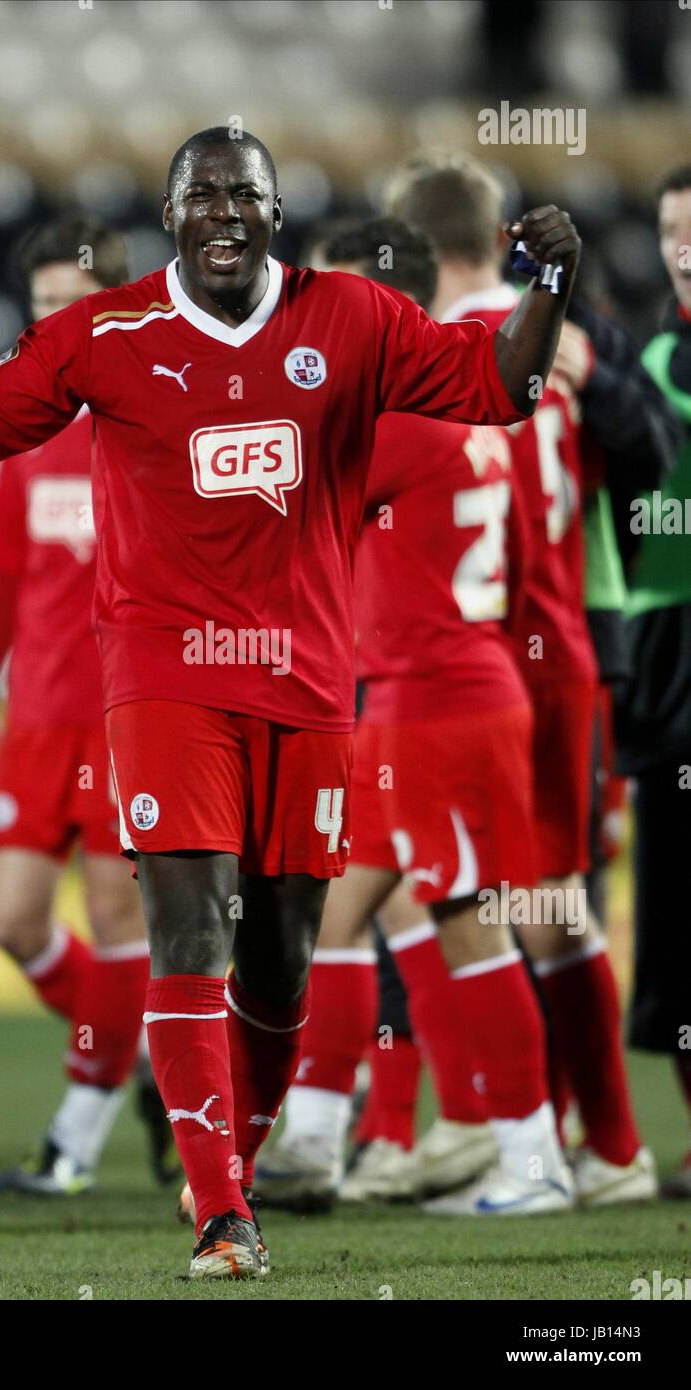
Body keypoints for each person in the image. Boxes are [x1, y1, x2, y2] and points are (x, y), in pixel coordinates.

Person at [0, 126, 578, 1278]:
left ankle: (244, 1157)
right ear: (169, 218)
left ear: (273, 212)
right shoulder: (103, 332)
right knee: (188, 923)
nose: (222, 211)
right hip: (162, 675)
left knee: (277, 967)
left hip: (307, 685)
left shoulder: (352, 320)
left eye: (244, 194)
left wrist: (545, 285)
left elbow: (496, 387)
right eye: (200, 194)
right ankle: (223, 1211)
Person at [257, 214, 573, 1217]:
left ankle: (534, 1164)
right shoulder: (475, 416)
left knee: (466, 924)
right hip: (439, 695)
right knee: (340, 908)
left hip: (433, 703)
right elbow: (521, 568)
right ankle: (309, 1139)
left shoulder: (389, 422)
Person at [384, 153, 653, 1206]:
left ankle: (560, 1144)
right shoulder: (568, 338)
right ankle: (563, 1139)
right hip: (552, 647)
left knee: (496, 901)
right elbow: (652, 463)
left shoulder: (435, 355)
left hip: (479, 654)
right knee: (532, 901)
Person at [0, 214, 169, 1195]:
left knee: (117, 912)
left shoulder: (154, 410)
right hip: (36, 716)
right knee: (10, 918)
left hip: (127, 713)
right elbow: (1, 577)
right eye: (38, 304)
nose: (49, 320)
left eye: (67, 304)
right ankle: (150, 1053)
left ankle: (75, 1135)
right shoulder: (19, 419)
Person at [616, 164, 691, 1198]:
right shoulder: (649, 362)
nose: (683, 246)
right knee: (676, 923)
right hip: (672, 687)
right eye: (672, 229)